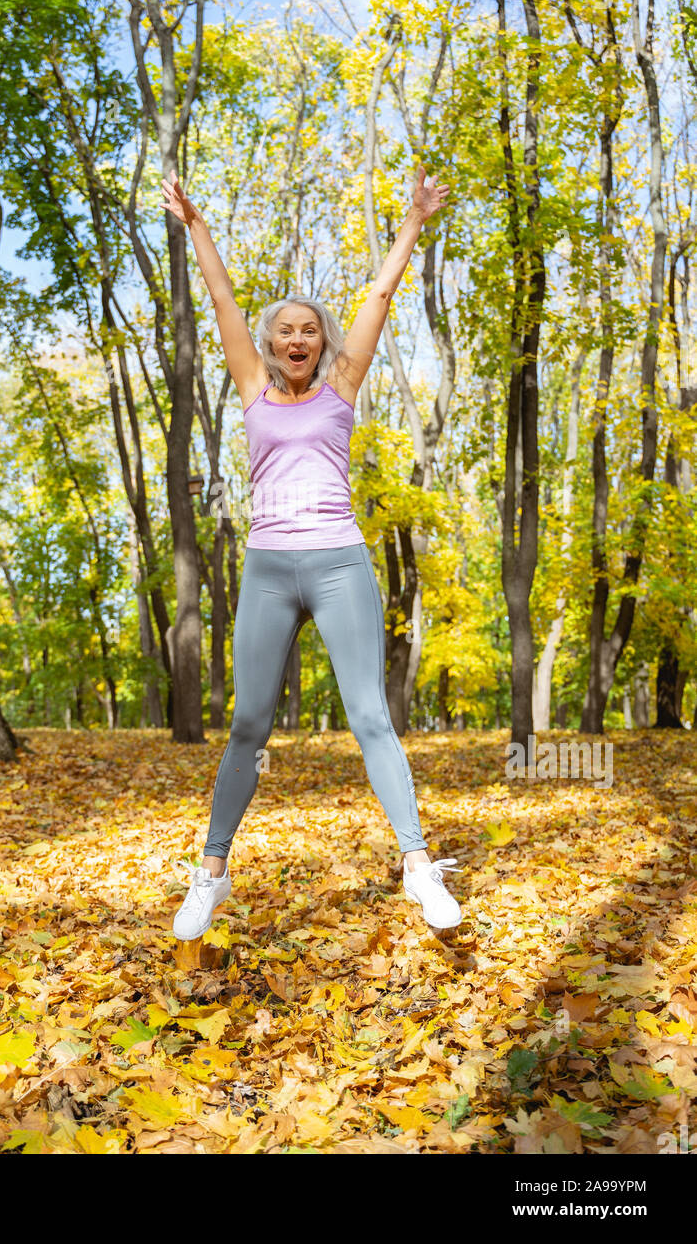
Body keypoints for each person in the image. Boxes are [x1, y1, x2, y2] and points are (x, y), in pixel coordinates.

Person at [161, 164, 462, 940]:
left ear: (323, 342)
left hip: (338, 563)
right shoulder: (253, 384)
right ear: (269, 343)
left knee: (371, 716)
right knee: (248, 726)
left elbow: (381, 297)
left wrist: (413, 223)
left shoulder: (344, 384)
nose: (299, 338)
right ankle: (211, 874)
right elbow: (222, 299)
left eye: (310, 329)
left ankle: (418, 866)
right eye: (285, 330)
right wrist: (197, 227)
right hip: (267, 567)